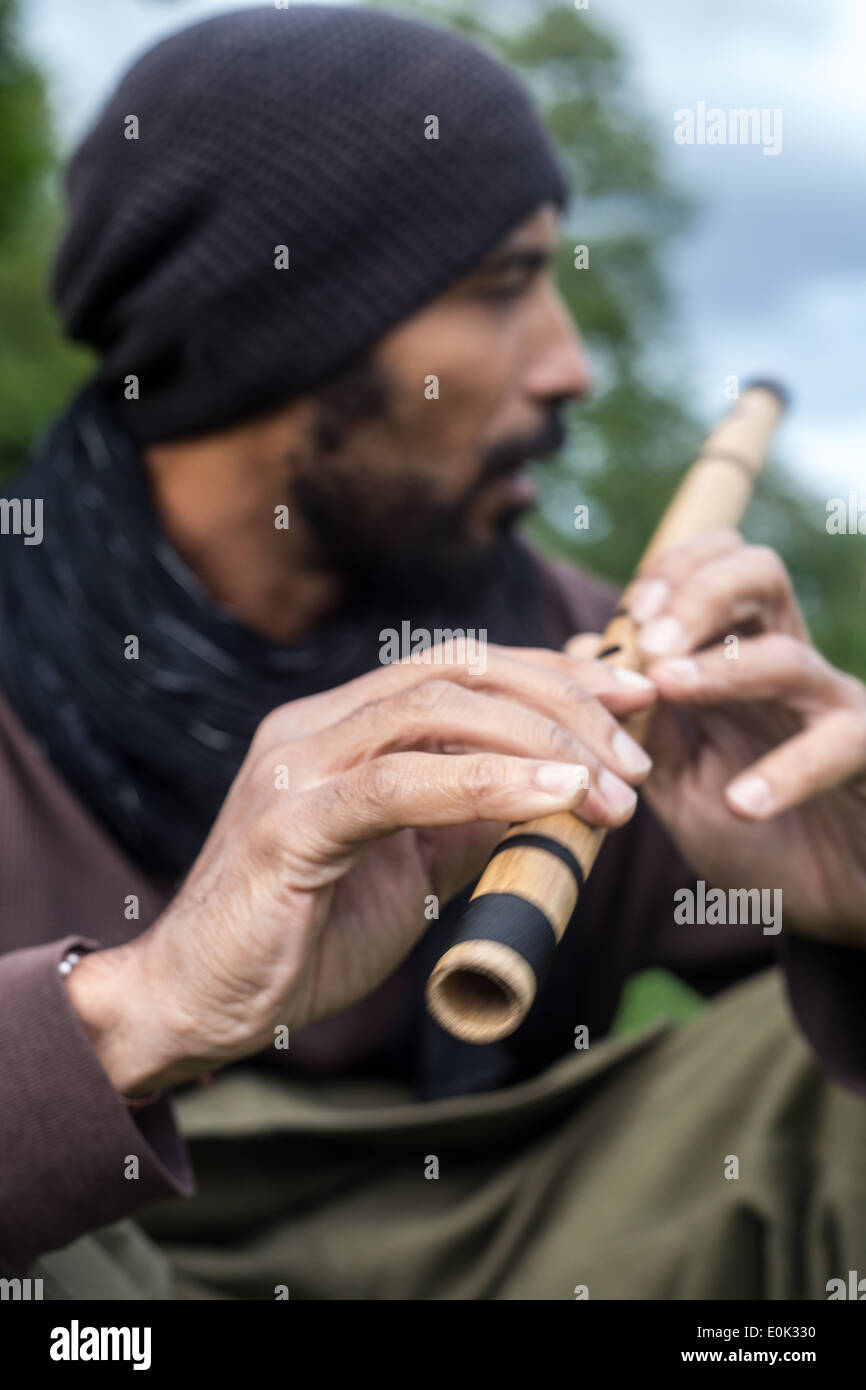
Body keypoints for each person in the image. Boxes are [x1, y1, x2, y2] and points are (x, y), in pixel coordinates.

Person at [1, 5, 865, 1301]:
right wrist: (142, 1009)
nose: (567, 366)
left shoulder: (591, 652)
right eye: (501, 286)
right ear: (274, 334)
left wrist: (848, 903)